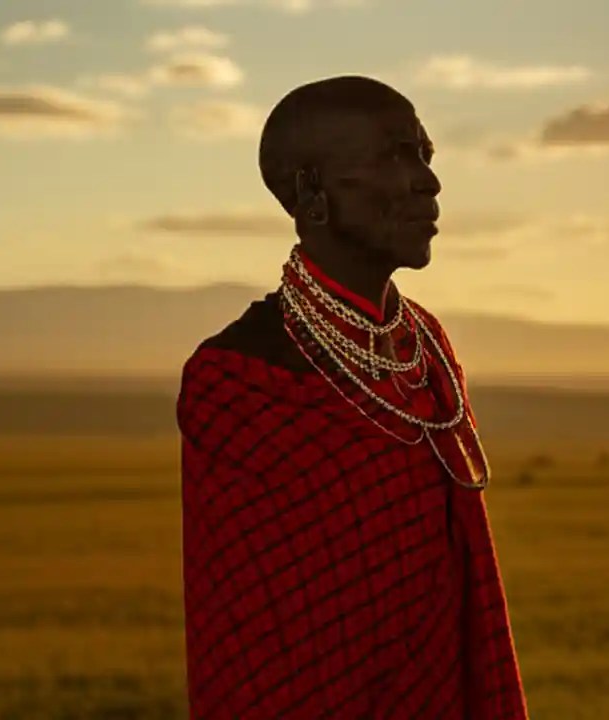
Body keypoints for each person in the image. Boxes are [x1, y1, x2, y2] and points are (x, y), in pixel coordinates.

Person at [175, 75, 529, 719]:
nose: (429, 181)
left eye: (425, 154)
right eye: (396, 154)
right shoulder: (237, 378)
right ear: (312, 193)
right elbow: (250, 641)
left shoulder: (425, 348)